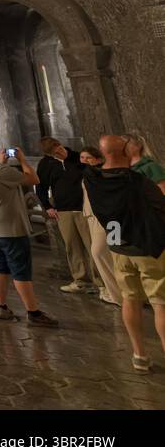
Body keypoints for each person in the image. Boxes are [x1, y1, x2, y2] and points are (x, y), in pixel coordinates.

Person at [84, 134, 165, 372]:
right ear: (126, 153)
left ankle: (139, 355)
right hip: (147, 247)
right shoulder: (137, 181)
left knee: (130, 299)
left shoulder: (93, 179)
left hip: (118, 245)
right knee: (160, 302)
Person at [0, 139, 59, 327]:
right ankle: (33, 312)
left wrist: (1, 163)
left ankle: (1, 306)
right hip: (10, 230)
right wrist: (23, 160)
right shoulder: (0, 171)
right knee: (20, 270)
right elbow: (33, 179)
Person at [38, 136, 99, 295]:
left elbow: (92, 174)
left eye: (57, 150)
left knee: (92, 245)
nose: (57, 155)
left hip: (83, 208)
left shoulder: (78, 157)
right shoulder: (46, 164)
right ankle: (80, 280)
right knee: (72, 246)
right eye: (53, 154)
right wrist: (47, 206)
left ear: (60, 145)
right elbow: (41, 186)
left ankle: (100, 282)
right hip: (63, 211)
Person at [80, 146, 121, 305]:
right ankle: (117, 292)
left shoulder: (102, 173)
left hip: (105, 218)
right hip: (92, 217)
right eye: (82, 157)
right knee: (108, 253)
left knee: (102, 252)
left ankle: (118, 295)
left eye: (88, 157)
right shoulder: (89, 174)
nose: (85, 161)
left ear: (98, 158)